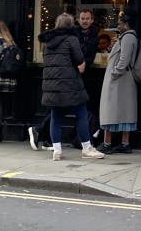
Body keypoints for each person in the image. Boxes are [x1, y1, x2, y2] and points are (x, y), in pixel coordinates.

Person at [28, 8, 101, 151]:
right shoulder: (72, 38)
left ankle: (55, 148)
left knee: (57, 113)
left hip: (52, 83)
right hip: (70, 80)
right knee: (80, 111)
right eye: (82, 18)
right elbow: (80, 59)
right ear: (74, 23)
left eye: (87, 18)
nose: (84, 21)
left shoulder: (48, 41)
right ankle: (86, 146)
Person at [98, 7, 140, 154]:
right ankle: (122, 143)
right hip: (120, 81)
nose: (118, 25)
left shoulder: (128, 37)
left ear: (126, 25)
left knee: (114, 111)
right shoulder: (125, 37)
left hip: (120, 80)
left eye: (120, 23)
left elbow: (124, 59)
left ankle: (110, 143)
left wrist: (115, 73)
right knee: (118, 112)